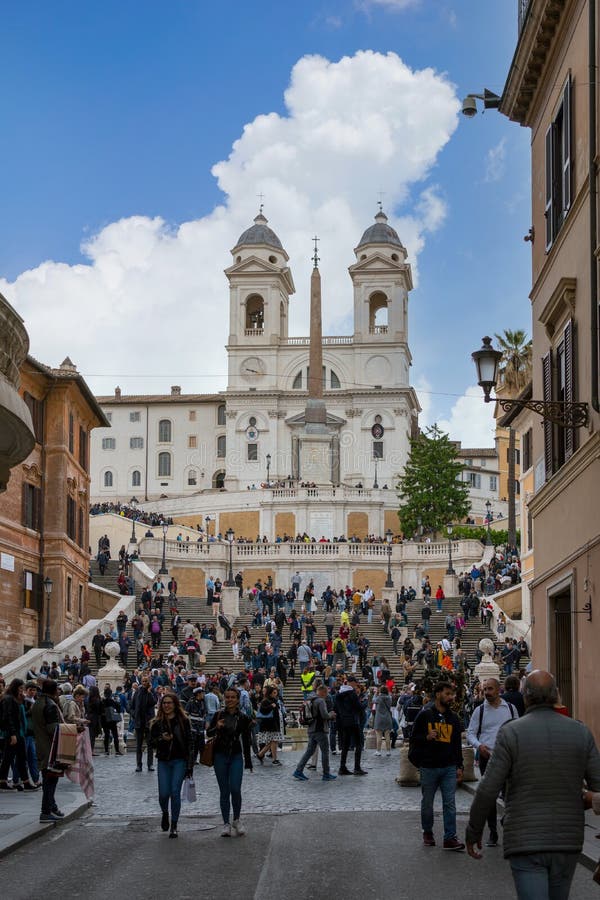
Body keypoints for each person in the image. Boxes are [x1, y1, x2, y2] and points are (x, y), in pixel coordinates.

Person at [466, 670, 600, 898]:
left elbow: (488, 789)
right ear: (556, 695)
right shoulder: (581, 732)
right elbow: (598, 788)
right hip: (567, 838)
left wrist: (473, 830)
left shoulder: (510, 733)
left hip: (524, 838)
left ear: (525, 697)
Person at [409, 681, 465, 850]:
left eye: (452, 694)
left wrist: (459, 766)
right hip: (429, 766)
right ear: (438, 694)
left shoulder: (453, 718)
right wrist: (426, 737)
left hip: (448, 766)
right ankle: (428, 831)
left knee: (449, 803)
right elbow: (413, 739)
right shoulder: (425, 715)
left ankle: (450, 837)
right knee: (427, 803)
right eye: (447, 694)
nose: (450, 697)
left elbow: (456, 744)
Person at [466, 677, 516, 847]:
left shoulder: (510, 708)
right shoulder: (479, 711)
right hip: (487, 758)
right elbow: (470, 733)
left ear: (498, 689)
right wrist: (479, 746)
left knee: (511, 794)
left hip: (509, 758)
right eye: (484, 689)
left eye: (490, 689)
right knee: (489, 796)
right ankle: (493, 832)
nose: (486, 693)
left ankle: (507, 822)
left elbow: (517, 729)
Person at [207, 686, 253, 837]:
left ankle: (237, 819)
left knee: (235, 788)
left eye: (233, 697)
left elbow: (246, 740)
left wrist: (248, 761)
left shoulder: (243, 717)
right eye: (227, 697)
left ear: (238, 699)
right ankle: (226, 822)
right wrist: (217, 727)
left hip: (236, 755)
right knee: (224, 790)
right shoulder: (218, 714)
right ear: (224, 698)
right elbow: (208, 733)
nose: (230, 700)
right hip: (220, 755)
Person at [149, 692, 193, 838]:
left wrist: (190, 764)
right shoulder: (157, 722)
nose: (166, 705)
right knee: (163, 794)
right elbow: (151, 743)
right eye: (164, 703)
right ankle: (165, 812)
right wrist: (162, 738)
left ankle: (174, 824)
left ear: (175, 705)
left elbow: (190, 743)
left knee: (175, 792)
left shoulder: (183, 721)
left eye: (169, 703)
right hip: (163, 760)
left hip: (179, 760)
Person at [31, 680, 63, 823]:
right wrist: (73, 728)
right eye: (57, 689)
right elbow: (53, 729)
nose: (58, 691)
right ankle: (45, 811)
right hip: (50, 748)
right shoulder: (50, 705)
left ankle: (52, 806)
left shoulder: (38, 702)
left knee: (48, 779)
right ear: (53, 690)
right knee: (50, 780)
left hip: (40, 745)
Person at [292, 684, 336, 781]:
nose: (326, 695)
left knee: (309, 751)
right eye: (326, 693)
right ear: (323, 692)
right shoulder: (321, 701)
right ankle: (326, 774)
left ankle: (298, 771)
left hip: (311, 729)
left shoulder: (310, 699)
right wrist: (331, 714)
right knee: (325, 751)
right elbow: (325, 715)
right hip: (320, 729)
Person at [334, 675, 367, 776]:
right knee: (358, 744)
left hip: (343, 722)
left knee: (345, 745)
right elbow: (359, 707)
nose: (356, 684)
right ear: (351, 682)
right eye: (355, 682)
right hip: (353, 721)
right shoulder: (352, 694)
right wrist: (365, 703)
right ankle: (357, 767)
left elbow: (335, 708)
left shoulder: (339, 693)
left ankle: (342, 767)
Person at [131, 677, 156, 772]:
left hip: (148, 722)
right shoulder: (137, 692)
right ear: (141, 682)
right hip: (139, 721)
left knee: (150, 744)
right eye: (143, 681)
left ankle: (150, 764)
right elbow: (131, 706)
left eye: (146, 681)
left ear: (149, 682)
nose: (145, 683)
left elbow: (153, 702)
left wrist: (149, 692)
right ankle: (139, 764)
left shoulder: (151, 692)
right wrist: (134, 714)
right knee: (139, 745)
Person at [256, 686, 285, 766]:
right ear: (270, 693)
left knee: (272, 741)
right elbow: (263, 710)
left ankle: (261, 754)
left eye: (276, 693)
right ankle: (274, 759)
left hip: (274, 724)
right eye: (274, 693)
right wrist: (271, 706)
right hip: (270, 724)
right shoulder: (266, 701)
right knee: (273, 741)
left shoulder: (274, 700)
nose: (275, 694)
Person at [100, 685, 123, 756]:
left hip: (104, 720)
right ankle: (117, 750)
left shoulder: (102, 702)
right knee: (115, 735)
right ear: (110, 694)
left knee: (106, 735)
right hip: (112, 720)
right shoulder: (113, 701)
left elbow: (100, 711)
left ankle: (106, 750)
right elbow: (119, 709)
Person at [373, 685, 393, 757]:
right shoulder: (389, 698)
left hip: (379, 719)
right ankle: (388, 751)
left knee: (379, 736)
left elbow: (373, 700)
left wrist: (376, 693)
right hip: (387, 718)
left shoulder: (378, 698)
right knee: (387, 735)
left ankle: (378, 751)